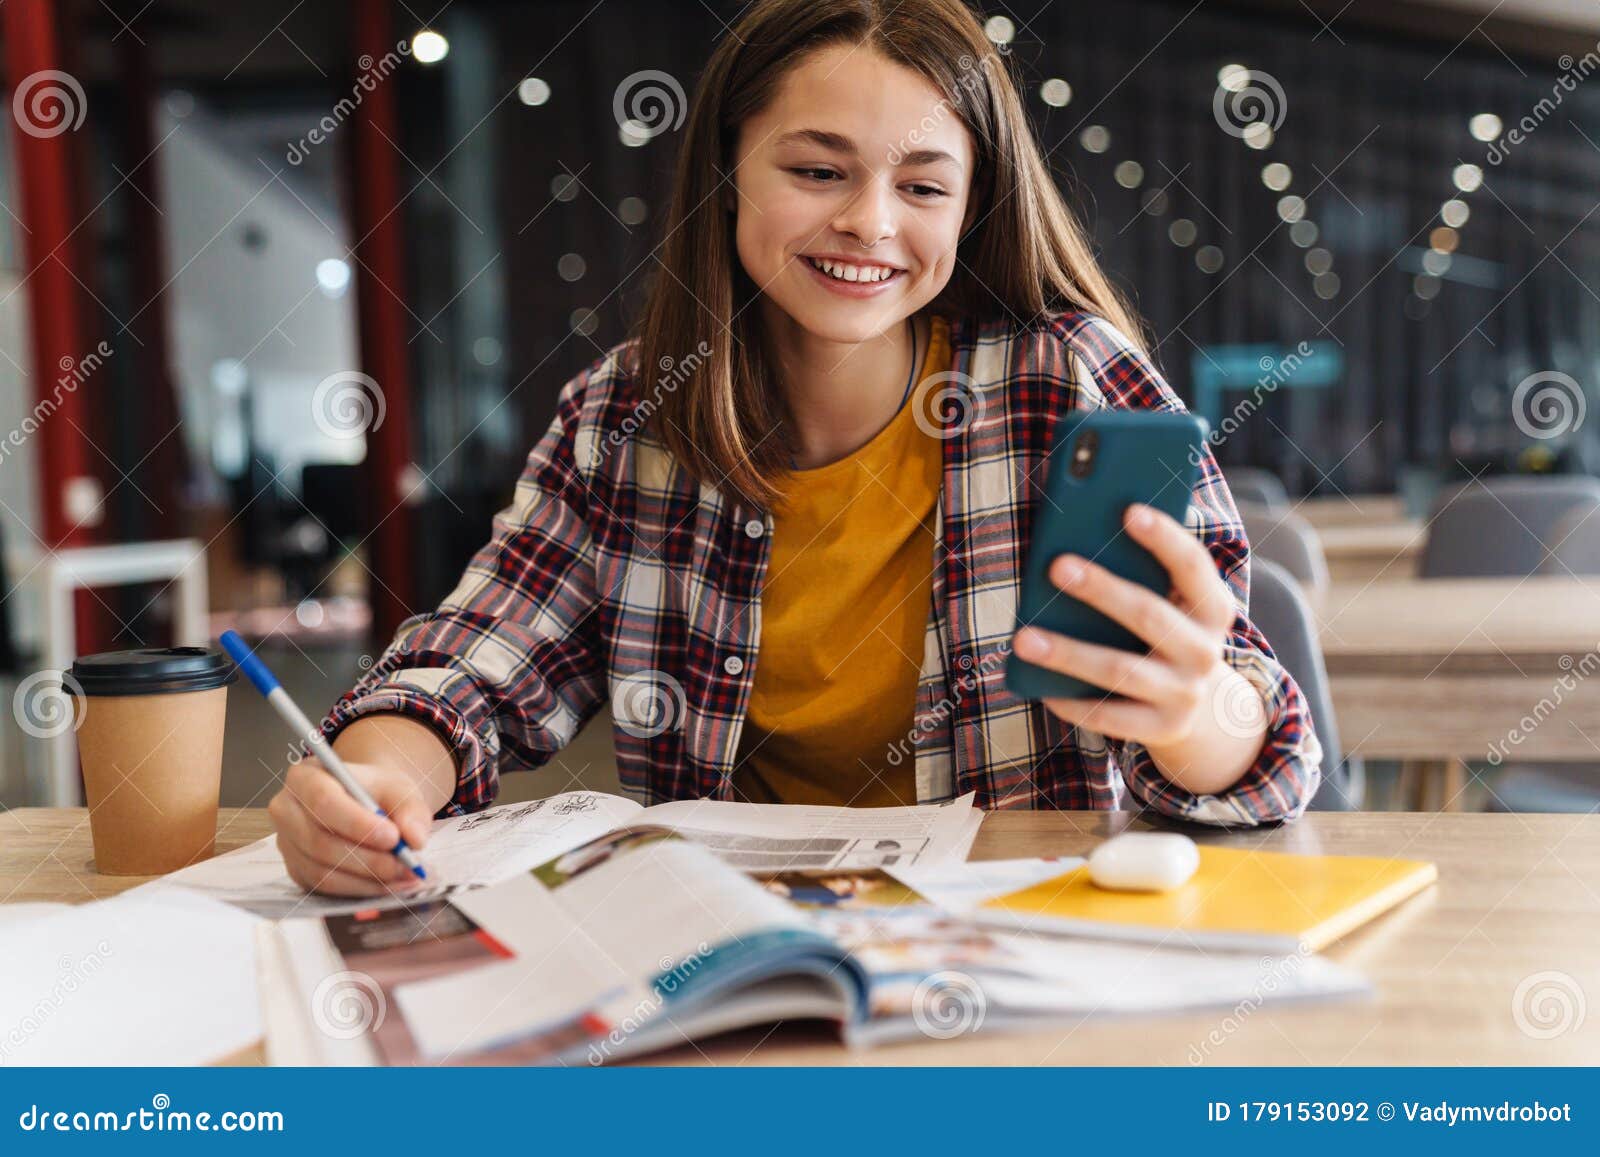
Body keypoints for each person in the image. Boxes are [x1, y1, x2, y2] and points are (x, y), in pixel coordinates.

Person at [267, 0, 1321, 899]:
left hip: (1016, 935)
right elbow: (480, 662)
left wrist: (1195, 714)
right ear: (729, 170)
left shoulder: (1063, 383)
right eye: (819, 169)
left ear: (971, 206)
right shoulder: (627, 412)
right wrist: (370, 773)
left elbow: (1263, 739)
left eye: (921, 186)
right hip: (732, 949)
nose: (868, 221)